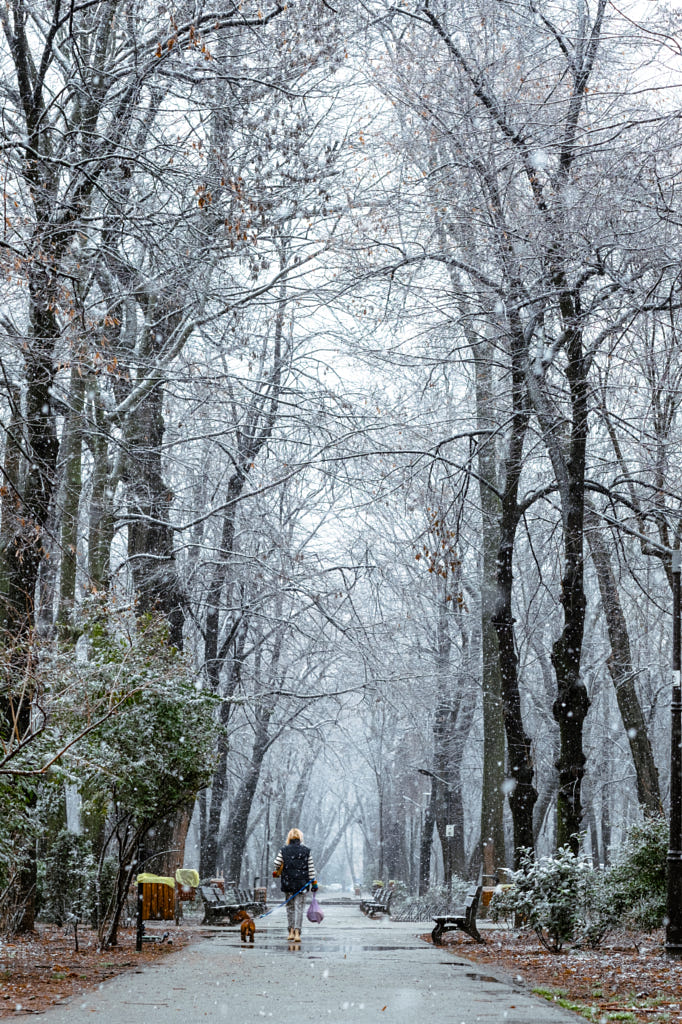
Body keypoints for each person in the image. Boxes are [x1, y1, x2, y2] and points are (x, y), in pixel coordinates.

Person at [272, 828, 318, 941]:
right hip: (302, 884)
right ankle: (298, 932)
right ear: (300, 838)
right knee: (299, 909)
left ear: (289, 838)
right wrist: (314, 883)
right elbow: (311, 869)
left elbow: (276, 863)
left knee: (290, 908)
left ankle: (291, 931)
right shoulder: (306, 851)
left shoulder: (284, 850)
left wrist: (281, 868)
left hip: (288, 883)